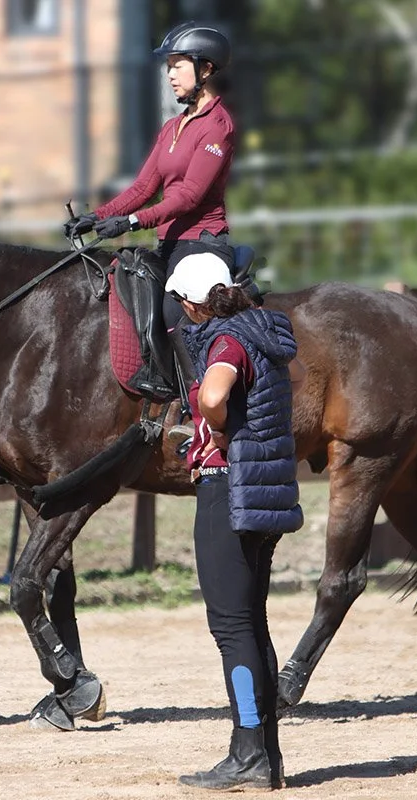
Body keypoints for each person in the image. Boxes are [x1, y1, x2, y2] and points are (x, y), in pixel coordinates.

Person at [164, 253, 303, 792]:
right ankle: (264, 753)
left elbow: (217, 394)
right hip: (262, 492)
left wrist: (211, 420)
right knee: (252, 622)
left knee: (231, 627)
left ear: (195, 304)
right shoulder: (258, 330)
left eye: (180, 303)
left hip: (228, 489)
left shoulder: (225, 341)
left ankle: (247, 753)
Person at [64, 21, 237, 434]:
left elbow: (190, 196)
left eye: (178, 64)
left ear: (206, 69)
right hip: (169, 244)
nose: (171, 73)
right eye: (170, 66)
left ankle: (202, 418)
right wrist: (100, 216)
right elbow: (145, 186)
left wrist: (131, 222)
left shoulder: (218, 126)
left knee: (172, 309)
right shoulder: (172, 127)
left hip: (201, 246)